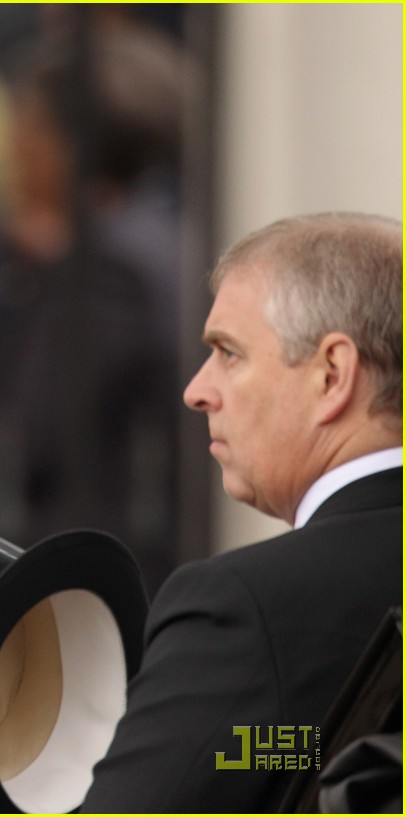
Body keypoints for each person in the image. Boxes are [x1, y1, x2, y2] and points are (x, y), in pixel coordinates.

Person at [81, 212, 402, 811]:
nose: (198, 390)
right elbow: (304, 745)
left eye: (229, 353)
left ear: (333, 375)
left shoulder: (246, 607)